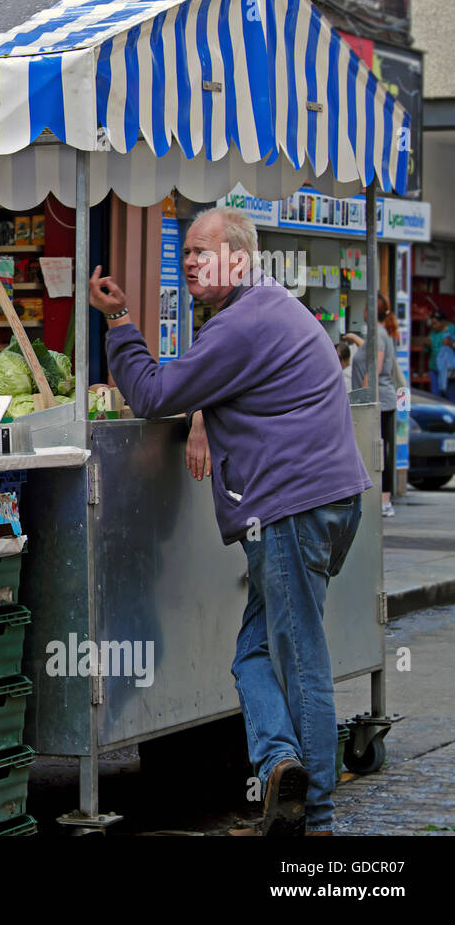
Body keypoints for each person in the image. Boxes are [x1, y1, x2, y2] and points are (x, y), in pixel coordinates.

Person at [90, 206, 369, 837]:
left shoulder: (240, 324)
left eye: (201, 251)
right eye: (185, 251)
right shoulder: (272, 307)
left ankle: (315, 818)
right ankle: (280, 767)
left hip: (292, 512)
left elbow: (155, 393)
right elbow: (249, 387)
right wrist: (205, 418)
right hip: (331, 501)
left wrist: (119, 320)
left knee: (298, 662)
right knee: (254, 654)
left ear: (237, 258)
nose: (189, 261)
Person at [352, 297, 398, 517]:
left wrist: (363, 392)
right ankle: (384, 499)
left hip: (380, 400)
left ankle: (384, 499)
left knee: (378, 450)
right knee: (380, 449)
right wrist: (354, 339)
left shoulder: (378, 334)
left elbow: (375, 366)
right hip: (385, 399)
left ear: (370, 311)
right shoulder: (379, 333)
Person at [425, 311, 454, 396]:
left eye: (436, 323)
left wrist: (451, 343)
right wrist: (427, 345)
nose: (433, 326)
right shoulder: (432, 333)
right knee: (435, 395)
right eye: (432, 323)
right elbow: (428, 351)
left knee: (449, 393)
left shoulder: (452, 330)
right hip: (434, 367)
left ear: (443, 322)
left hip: (449, 368)